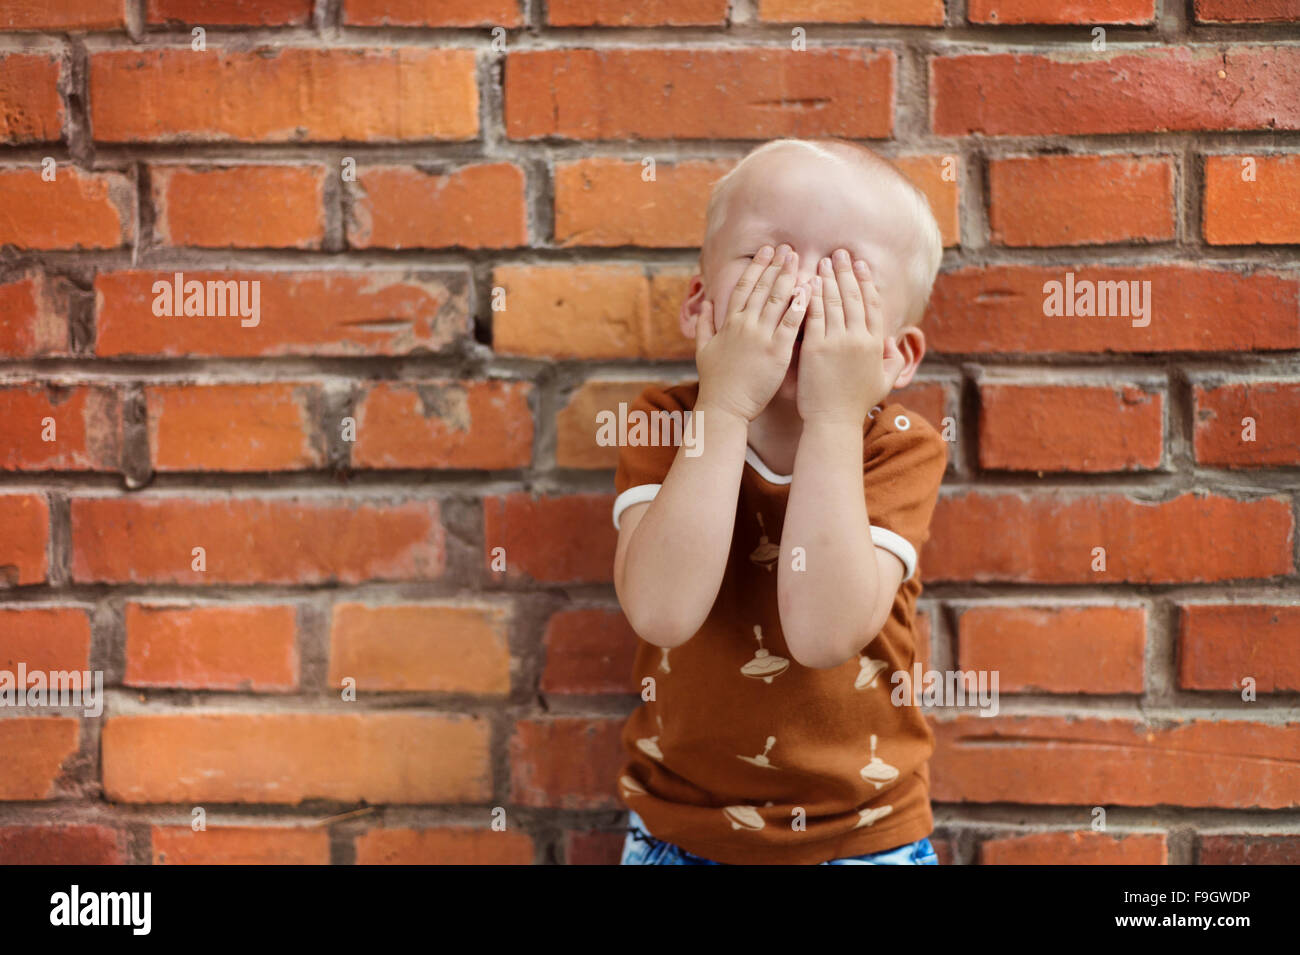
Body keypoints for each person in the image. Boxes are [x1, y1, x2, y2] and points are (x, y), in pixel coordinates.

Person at [612, 138, 947, 865]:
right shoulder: (662, 422)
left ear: (894, 355)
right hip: (681, 831)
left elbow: (825, 633)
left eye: (843, 274)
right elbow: (663, 610)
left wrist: (834, 415)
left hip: (863, 837)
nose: (801, 292)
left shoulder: (897, 447)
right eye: (767, 259)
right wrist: (725, 405)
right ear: (699, 306)